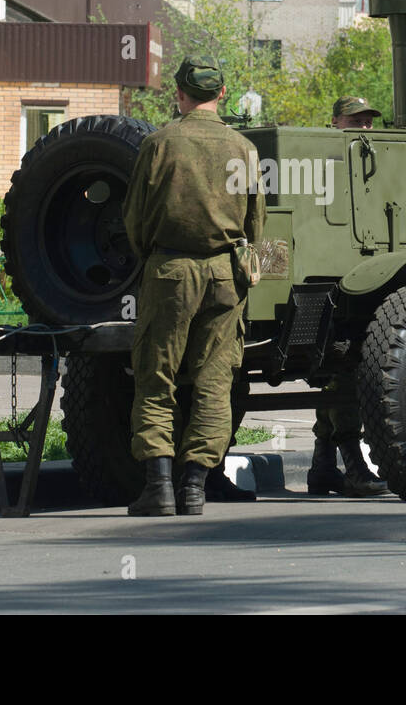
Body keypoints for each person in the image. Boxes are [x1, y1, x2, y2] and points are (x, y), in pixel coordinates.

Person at [122, 59, 265, 517]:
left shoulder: (158, 144)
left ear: (179, 94)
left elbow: (136, 218)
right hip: (226, 275)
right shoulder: (244, 148)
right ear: (222, 93)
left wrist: (155, 255)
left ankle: (159, 486)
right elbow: (256, 224)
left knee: (156, 377)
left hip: (170, 270)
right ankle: (196, 487)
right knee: (214, 381)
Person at [305, 95, 389, 497]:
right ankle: (354, 467)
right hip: (327, 282)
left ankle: (323, 465)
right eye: (356, 121)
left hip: (357, 280)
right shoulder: (322, 160)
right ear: (335, 121)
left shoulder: (369, 161)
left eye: (369, 122)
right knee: (341, 376)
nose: (365, 128)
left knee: (338, 378)